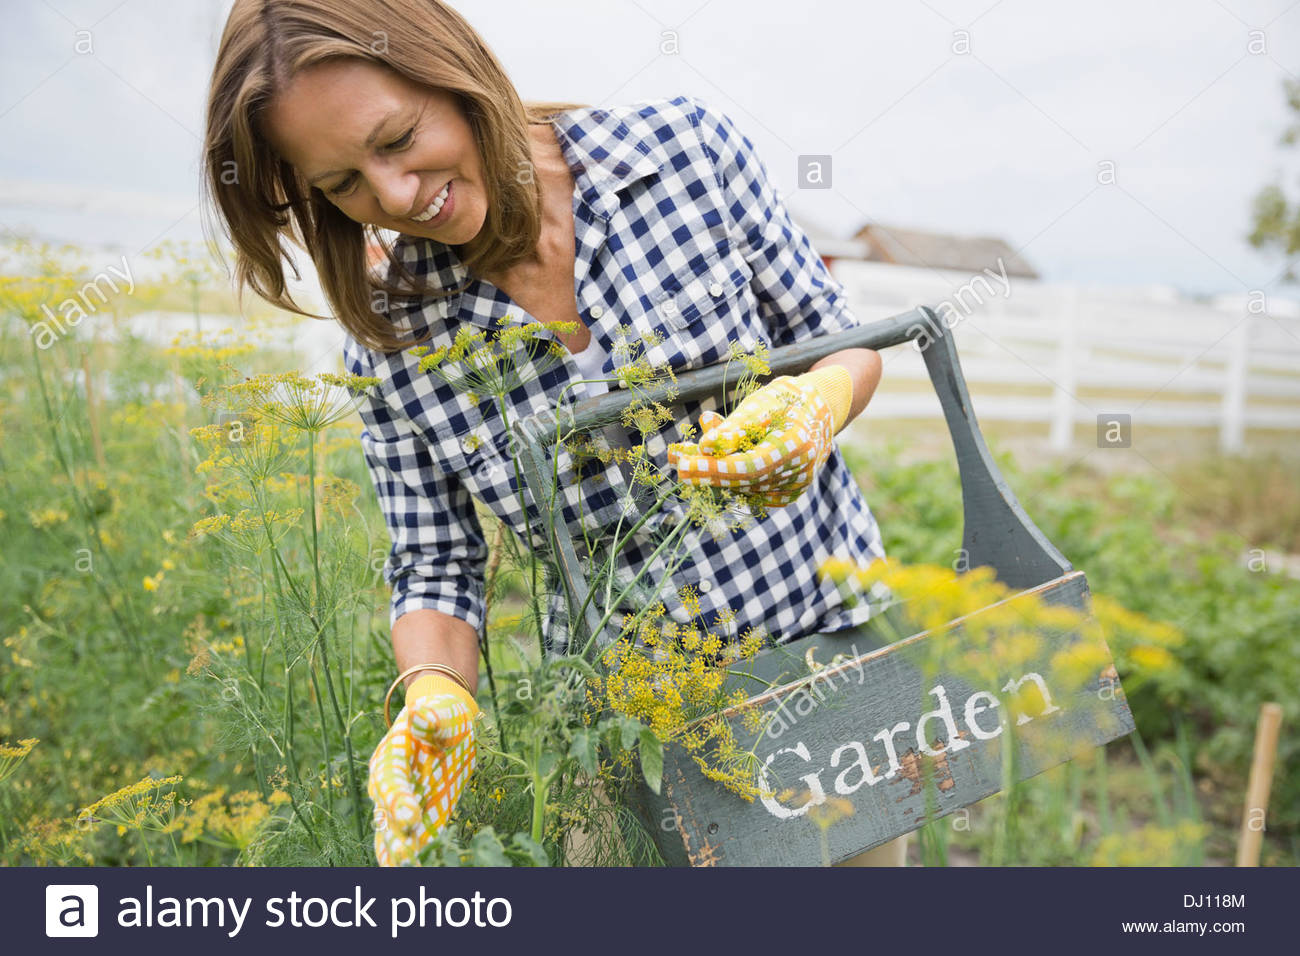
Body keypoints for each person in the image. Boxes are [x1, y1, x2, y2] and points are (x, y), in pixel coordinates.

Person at [204, 0, 905, 867]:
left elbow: (838, 339)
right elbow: (436, 562)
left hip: (828, 663)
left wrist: (821, 403)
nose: (394, 198)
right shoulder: (393, 335)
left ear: (451, 72)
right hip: (633, 735)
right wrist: (434, 697)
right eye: (343, 184)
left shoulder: (684, 153)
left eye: (395, 140)